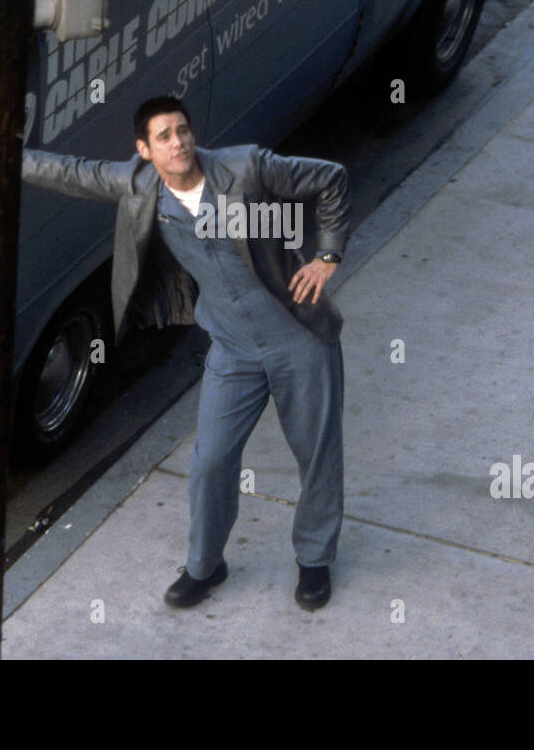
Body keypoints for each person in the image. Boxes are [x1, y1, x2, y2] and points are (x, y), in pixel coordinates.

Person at [21, 95, 350, 611]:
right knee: (211, 459)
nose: (177, 143)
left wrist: (327, 255)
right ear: (144, 150)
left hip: (297, 337)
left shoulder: (245, 167)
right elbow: (73, 172)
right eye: (164, 137)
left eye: (182, 131)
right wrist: (4, 156)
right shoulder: (140, 185)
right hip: (232, 347)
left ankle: (314, 561)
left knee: (317, 454)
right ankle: (205, 565)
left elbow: (330, 179)